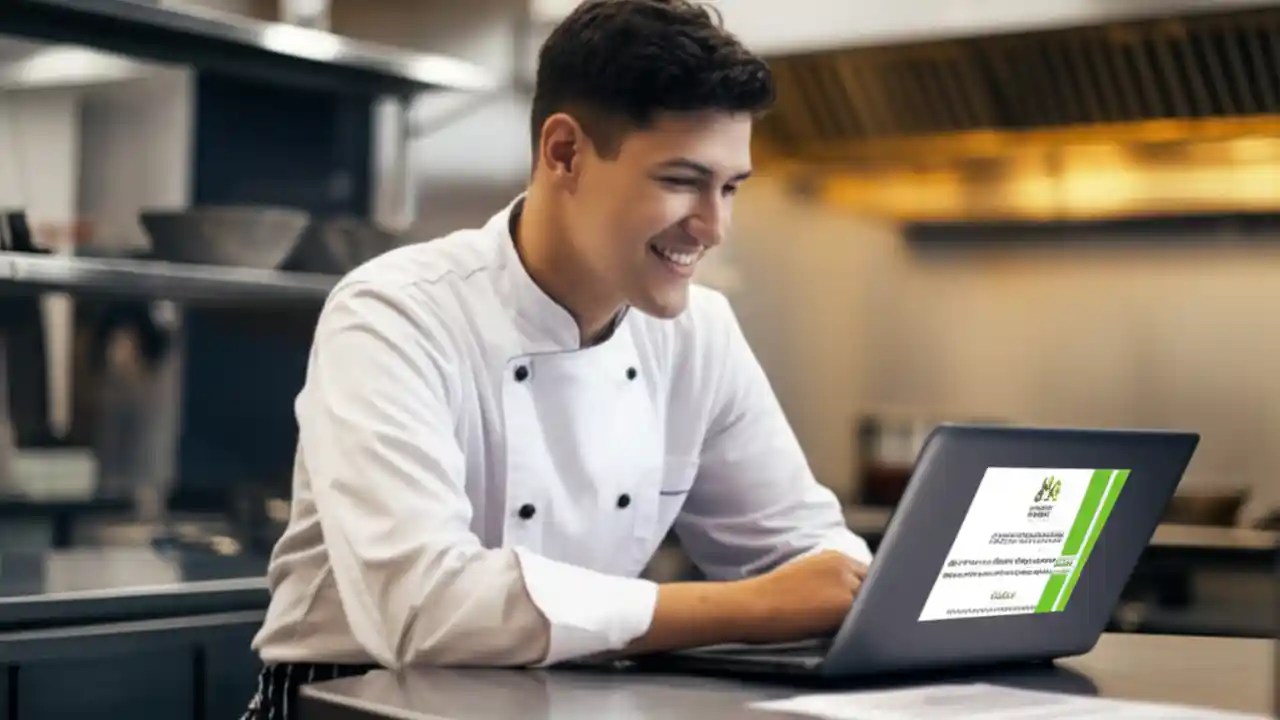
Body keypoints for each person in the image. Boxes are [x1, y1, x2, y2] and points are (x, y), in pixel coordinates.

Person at [242, 1, 871, 717]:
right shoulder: (396, 311)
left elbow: (810, 556)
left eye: (729, 187)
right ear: (564, 151)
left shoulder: (701, 333)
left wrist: (837, 586)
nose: (714, 226)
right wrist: (751, 608)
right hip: (353, 701)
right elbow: (421, 607)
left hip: (563, 699)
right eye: (680, 180)